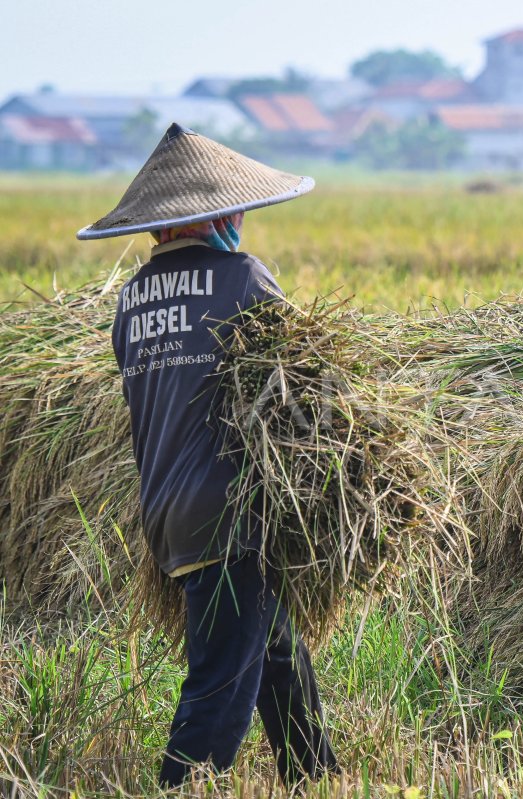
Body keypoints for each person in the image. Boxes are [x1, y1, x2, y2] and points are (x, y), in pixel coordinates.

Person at [78, 123, 338, 787]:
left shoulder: (132, 300)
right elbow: (304, 384)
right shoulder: (244, 277)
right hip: (232, 510)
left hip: (166, 509)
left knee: (272, 645)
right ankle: (182, 785)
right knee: (218, 689)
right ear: (222, 214)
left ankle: (314, 775)